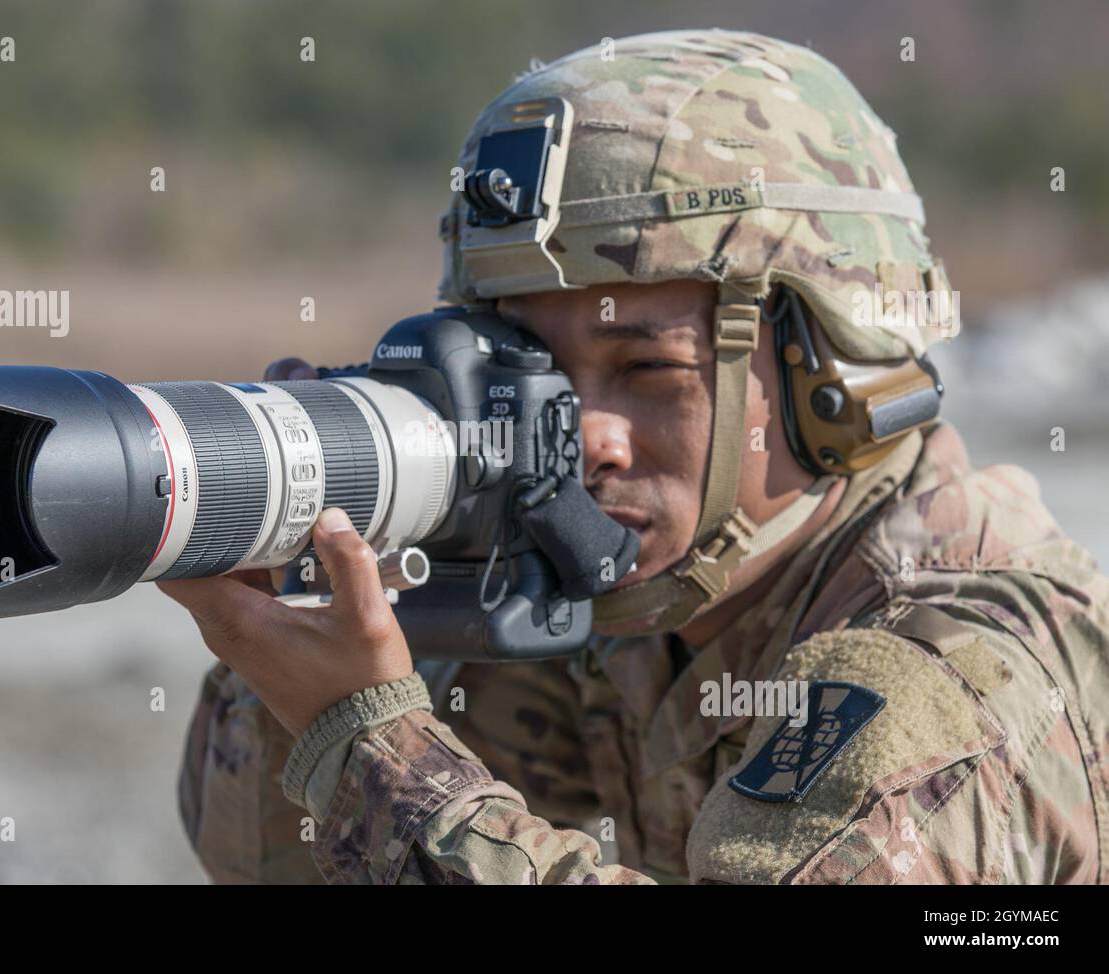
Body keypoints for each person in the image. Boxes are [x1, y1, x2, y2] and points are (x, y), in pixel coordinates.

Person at [160, 29, 1109, 884]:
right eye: (538, 370)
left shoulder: (948, 682)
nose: (585, 439)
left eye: (650, 369)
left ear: (831, 370)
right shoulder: (634, 609)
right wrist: (293, 603)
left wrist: (370, 744)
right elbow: (262, 862)